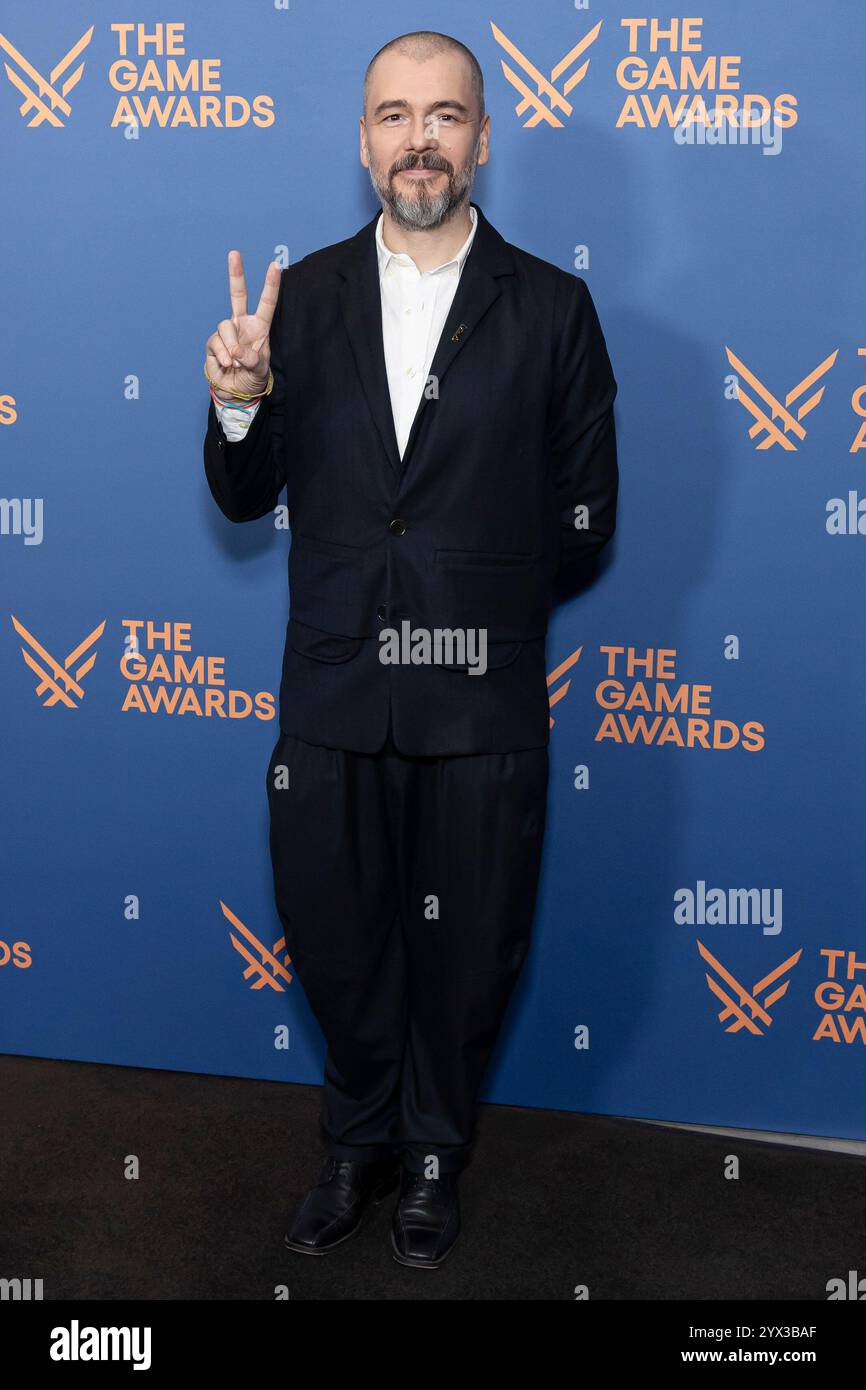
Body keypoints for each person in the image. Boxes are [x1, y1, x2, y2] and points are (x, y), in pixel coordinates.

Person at [202, 30, 618, 1270]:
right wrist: (238, 398)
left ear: (482, 138)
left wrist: (457, 618)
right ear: (364, 141)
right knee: (334, 935)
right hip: (330, 697)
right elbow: (240, 497)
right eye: (393, 115)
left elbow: (585, 517)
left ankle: (433, 1155)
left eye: (444, 114)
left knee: (467, 946)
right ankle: (355, 1140)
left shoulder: (551, 305)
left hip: (478, 708)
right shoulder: (302, 299)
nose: (418, 137)